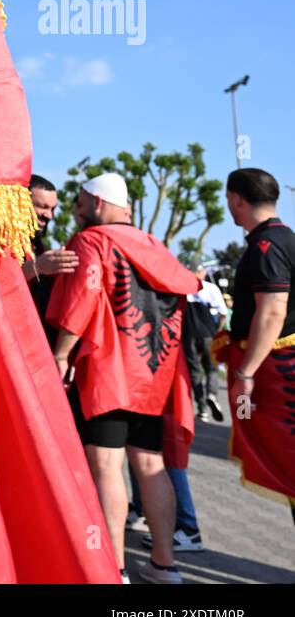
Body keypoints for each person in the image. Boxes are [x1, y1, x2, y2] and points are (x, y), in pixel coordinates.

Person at [47, 172, 200, 584]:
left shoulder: (93, 241)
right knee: (150, 463)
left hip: (108, 372)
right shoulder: (155, 246)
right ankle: (165, 565)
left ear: (97, 202)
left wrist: (62, 353)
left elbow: (84, 295)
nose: (75, 211)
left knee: (105, 462)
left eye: (79, 202)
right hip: (154, 375)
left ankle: (111, 568)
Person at [214, 168, 295, 526]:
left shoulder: (267, 245)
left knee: (288, 462)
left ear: (236, 199)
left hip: (279, 373)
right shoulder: (283, 238)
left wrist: (246, 373)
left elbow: (273, 311)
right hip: (277, 367)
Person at [21, 173, 78, 346]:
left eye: (53, 209)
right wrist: (37, 267)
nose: (49, 216)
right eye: (42, 207)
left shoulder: (40, 245)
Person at [184, 266, 227, 422]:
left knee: (195, 372)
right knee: (212, 368)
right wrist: (217, 331)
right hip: (208, 333)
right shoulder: (211, 288)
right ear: (199, 272)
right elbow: (223, 313)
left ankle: (202, 409)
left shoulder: (182, 285)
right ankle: (212, 394)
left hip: (188, 334)